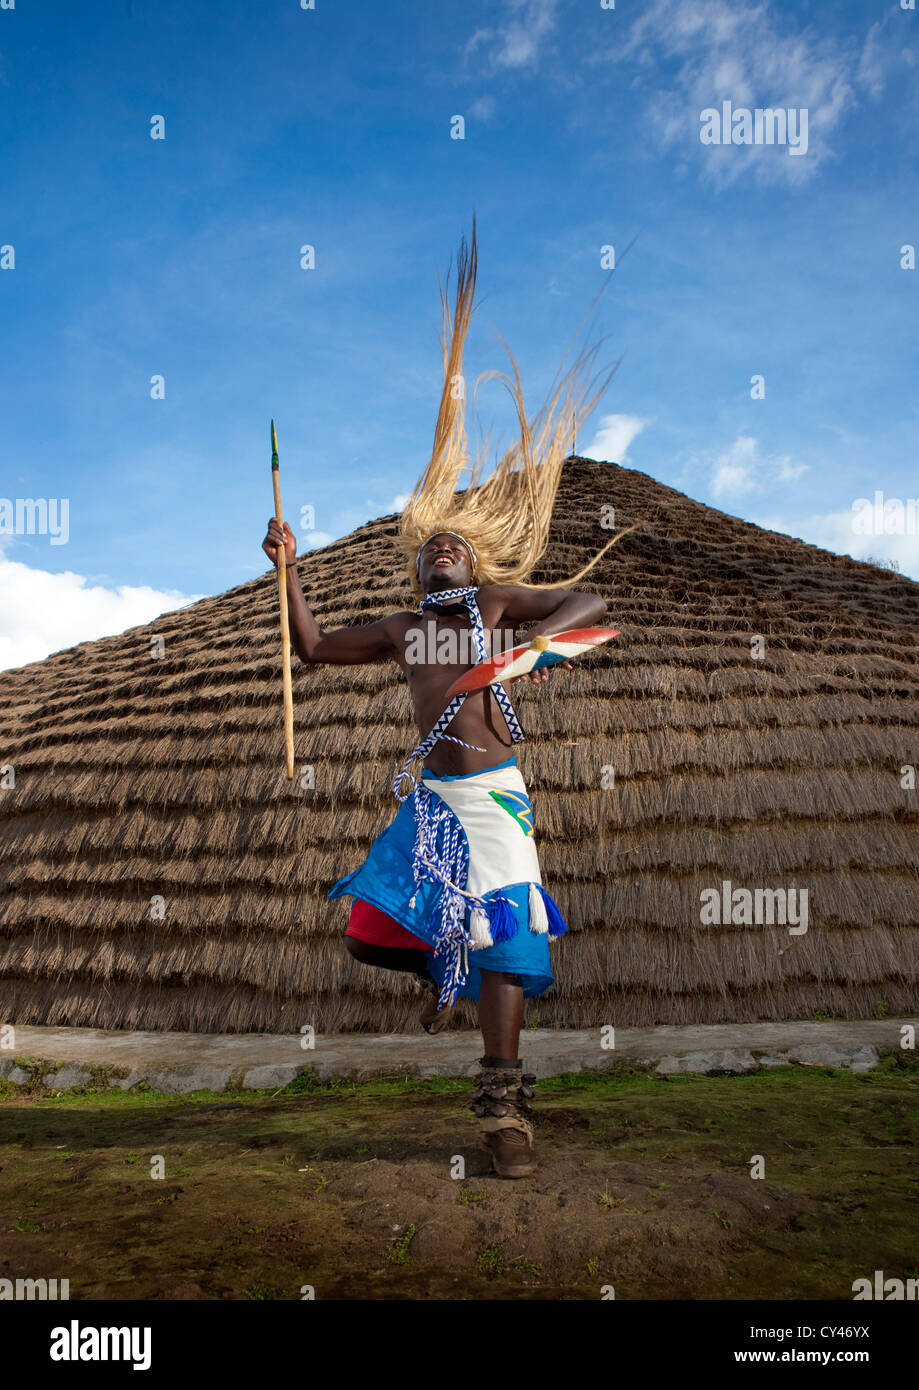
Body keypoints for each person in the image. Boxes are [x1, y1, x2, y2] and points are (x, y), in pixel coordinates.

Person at [261, 219, 630, 1177]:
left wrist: (527, 652)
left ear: (478, 562)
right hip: (429, 799)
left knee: (506, 930)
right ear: (415, 562)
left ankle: (502, 1106)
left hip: (496, 791)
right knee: (371, 933)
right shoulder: (396, 625)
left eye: (457, 546)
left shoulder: (496, 605)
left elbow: (590, 603)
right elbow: (307, 647)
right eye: (432, 546)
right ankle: (447, 961)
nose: (445, 550)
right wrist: (289, 568)